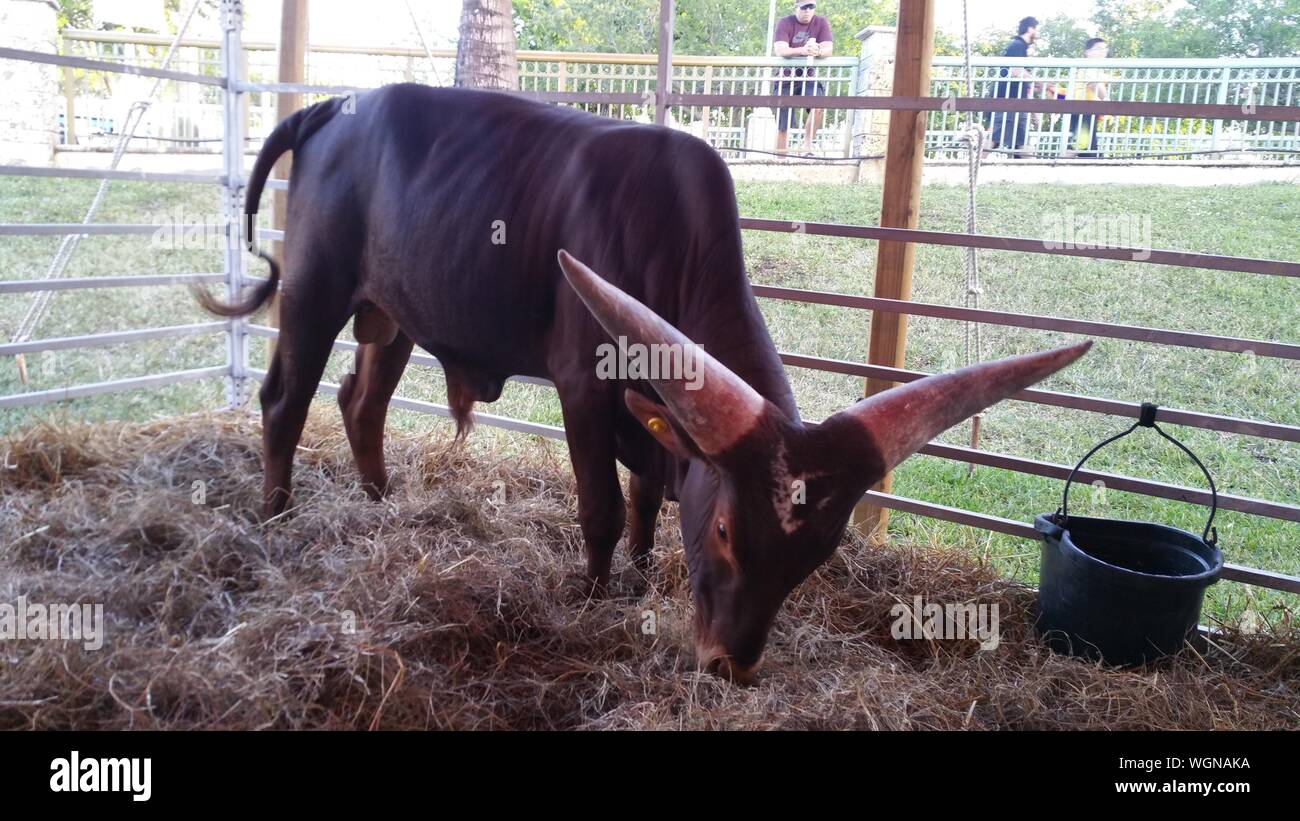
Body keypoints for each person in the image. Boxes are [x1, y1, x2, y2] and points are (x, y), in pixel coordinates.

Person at [772, 1, 833, 156]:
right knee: (783, 125)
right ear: (796, 6)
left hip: (808, 77)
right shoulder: (785, 22)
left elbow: (828, 49)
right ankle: (780, 159)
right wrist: (803, 50)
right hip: (785, 79)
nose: (807, 11)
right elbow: (780, 50)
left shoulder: (821, 22)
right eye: (804, 7)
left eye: (811, 7)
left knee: (818, 105)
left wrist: (817, 50)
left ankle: (806, 149)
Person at [988, 16, 1041, 158]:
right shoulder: (1017, 45)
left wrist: (1034, 85)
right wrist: (1038, 82)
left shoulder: (1020, 47)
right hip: (1007, 98)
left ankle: (1030, 171)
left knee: (1021, 140)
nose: (1038, 33)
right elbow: (1016, 70)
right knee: (994, 137)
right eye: (1037, 29)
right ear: (1031, 28)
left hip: (1017, 100)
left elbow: (1020, 75)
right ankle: (973, 165)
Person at [1067, 36, 1109, 158]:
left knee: (1082, 144)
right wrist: (1107, 101)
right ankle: (1058, 165)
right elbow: (1096, 88)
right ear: (1087, 52)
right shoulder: (1089, 68)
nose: (1103, 52)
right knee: (1084, 146)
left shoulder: (1089, 68)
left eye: (1105, 49)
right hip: (1084, 111)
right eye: (1098, 49)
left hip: (1085, 110)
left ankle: (1059, 164)